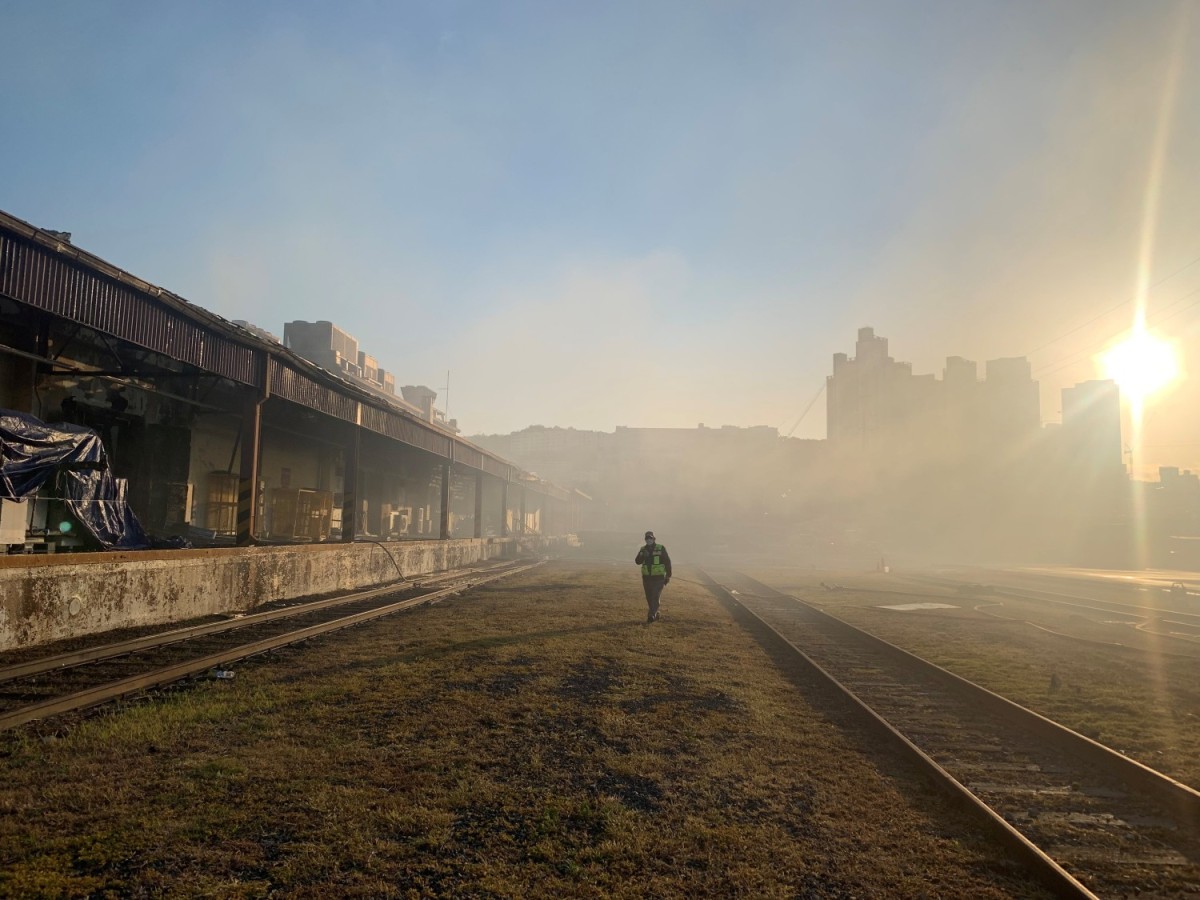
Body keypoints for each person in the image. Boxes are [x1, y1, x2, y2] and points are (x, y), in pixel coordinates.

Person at [635, 530, 671, 623]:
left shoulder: (661, 548)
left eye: (650, 538)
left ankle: (651, 616)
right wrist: (643, 556)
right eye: (647, 538)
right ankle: (656, 613)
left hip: (659, 578)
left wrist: (668, 576)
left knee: (655, 596)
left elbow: (667, 562)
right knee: (649, 597)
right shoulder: (643, 549)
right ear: (645, 539)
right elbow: (637, 562)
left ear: (654, 538)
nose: (648, 540)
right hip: (647, 579)